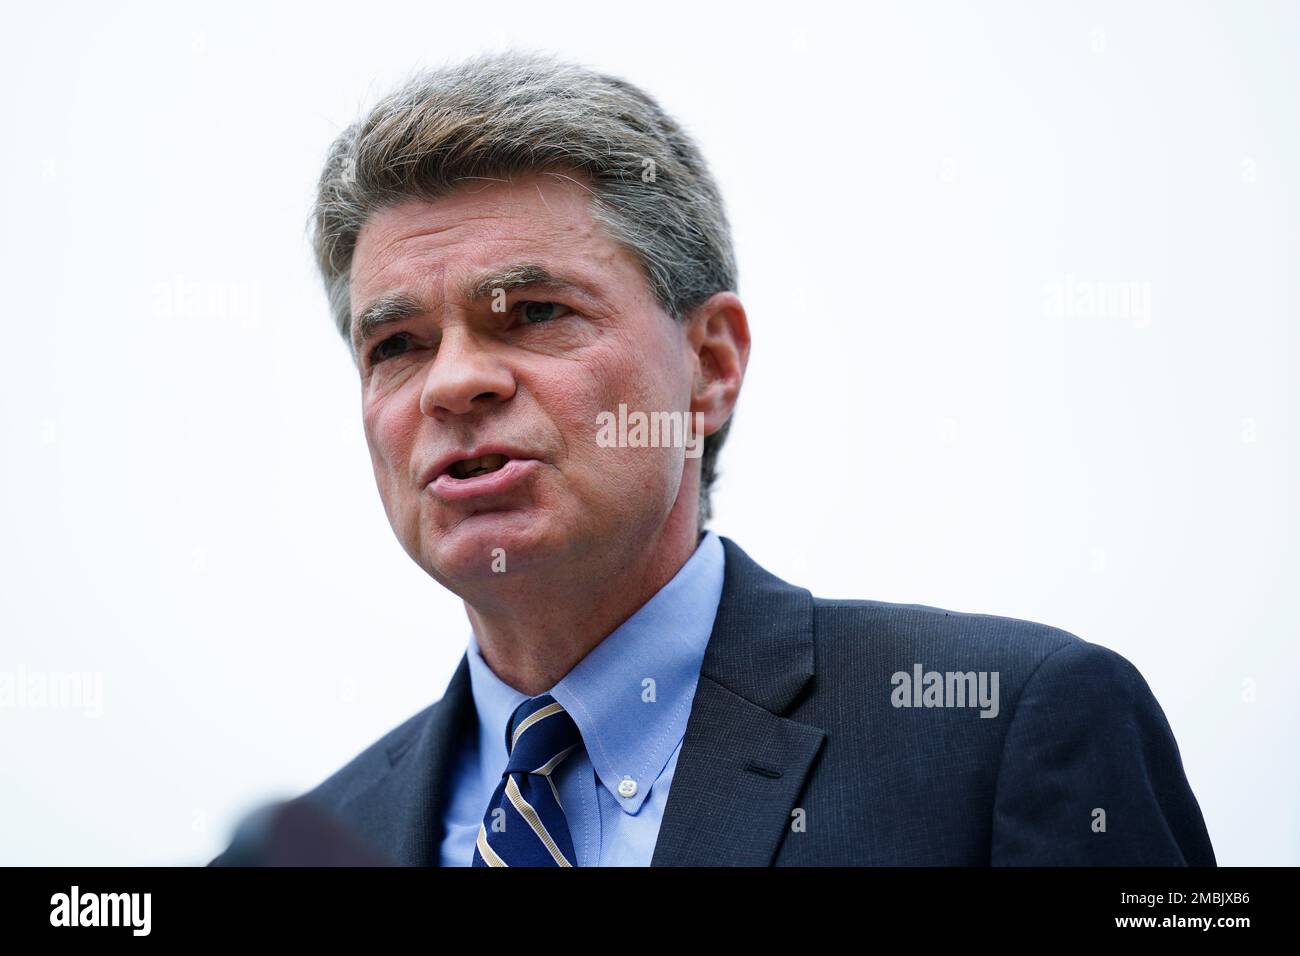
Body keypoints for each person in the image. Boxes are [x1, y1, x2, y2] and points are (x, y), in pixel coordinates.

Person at [211, 50, 1214, 866]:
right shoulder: (311, 846)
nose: (452, 382)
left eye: (536, 314)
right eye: (397, 344)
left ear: (711, 364)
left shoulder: (1003, 732)